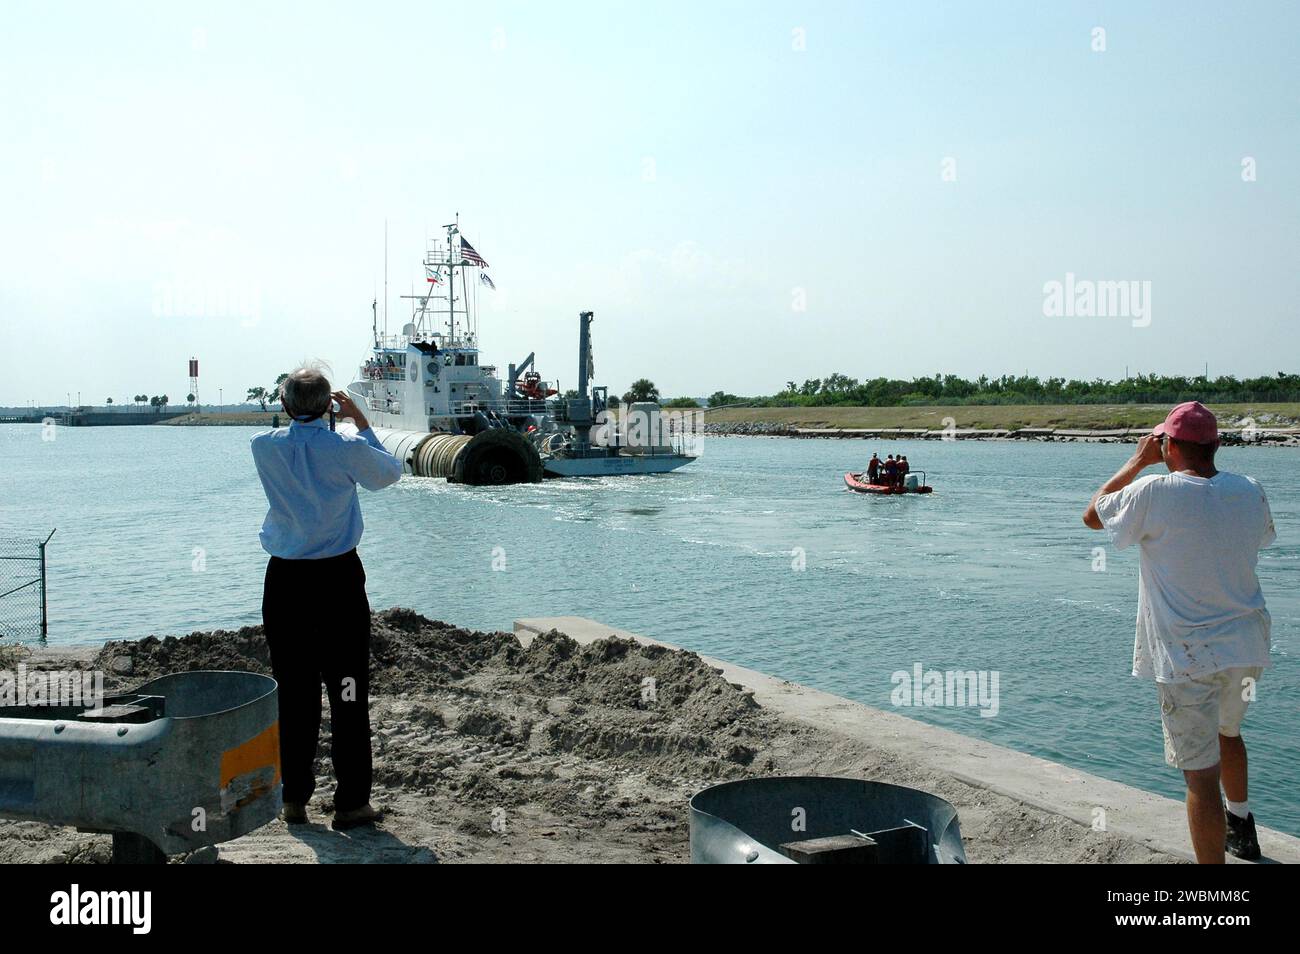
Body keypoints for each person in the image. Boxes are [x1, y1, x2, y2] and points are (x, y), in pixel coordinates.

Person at [1083, 401, 1274, 863]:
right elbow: (1260, 538)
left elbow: (1093, 515)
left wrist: (1137, 460)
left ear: (1168, 444)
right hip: (1247, 644)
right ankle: (1243, 828)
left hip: (1188, 655)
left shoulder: (1153, 491)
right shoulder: (1249, 490)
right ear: (1217, 444)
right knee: (1228, 732)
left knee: (1200, 776)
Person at [251, 363, 403, 830]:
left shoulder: (263, 448)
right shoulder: (347, 447)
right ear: (330, 406)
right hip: (337, 580)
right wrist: (360, 422)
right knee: (348, 692)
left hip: (285, 580)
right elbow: (389, 474)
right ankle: (351, 802)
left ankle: (293, 798)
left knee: (294, 693)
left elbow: (297, 447)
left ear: (283, 406)